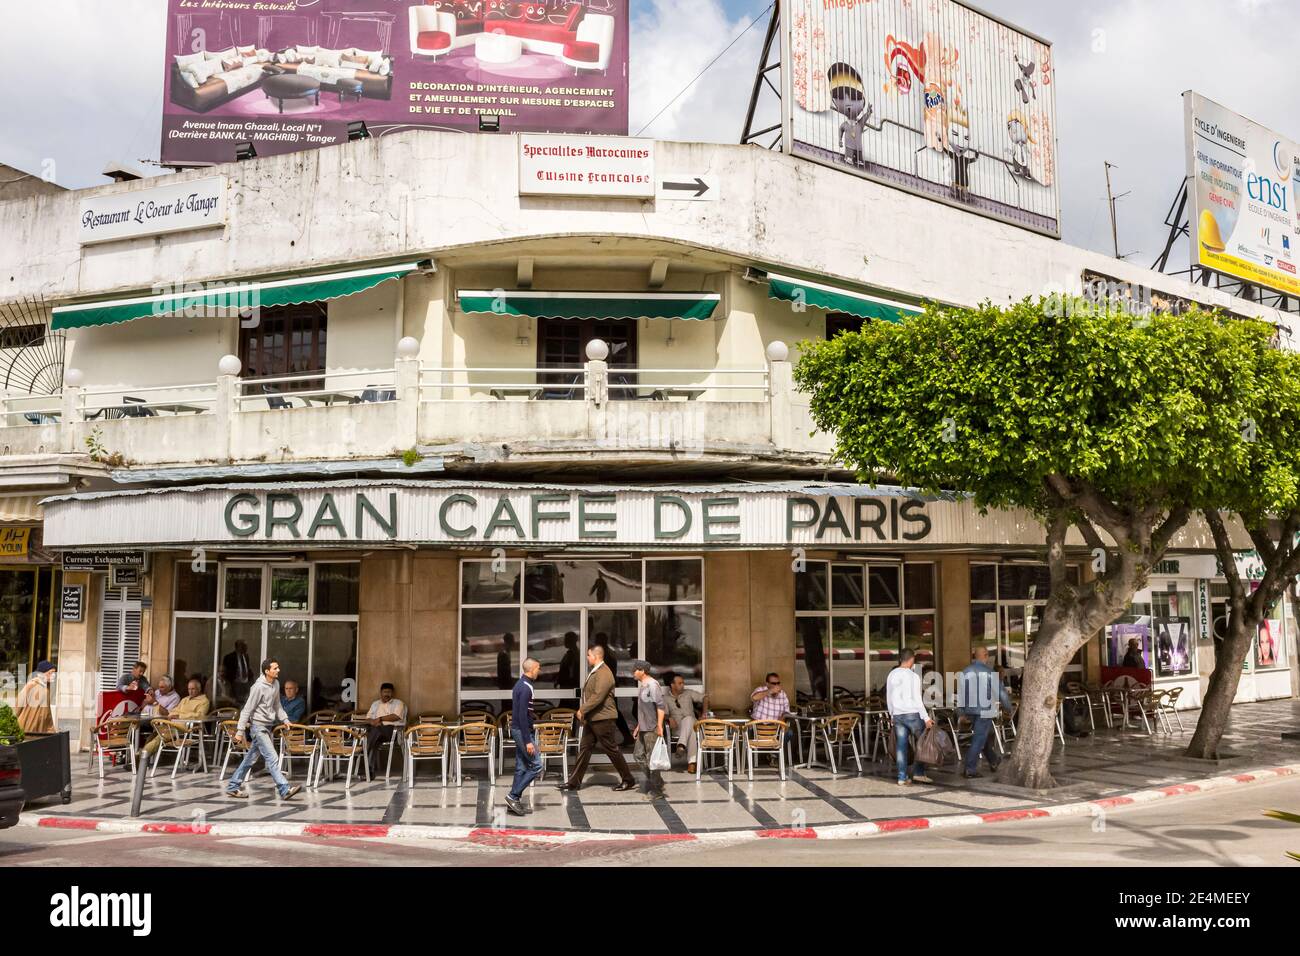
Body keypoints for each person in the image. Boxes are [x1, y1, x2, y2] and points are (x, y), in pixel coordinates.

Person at [559, 644, 635, 793]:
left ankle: (628, 779)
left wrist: (582, 709)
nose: (587, 658)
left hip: (603, 719)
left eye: (588, 655)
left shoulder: (604, 673)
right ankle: (574, 782)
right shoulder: (596, 671)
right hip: (594, 718)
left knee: (611, 749)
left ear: (596, 656)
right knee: (585, 748)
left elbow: (598, 696)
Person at [225, 657, 301, 801]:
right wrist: (240, 731)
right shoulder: (258, 687)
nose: (278, 670)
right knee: (272, 757)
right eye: (275, 668)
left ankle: (233, 786)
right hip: (258, 727)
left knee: (250, 759)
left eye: (278, 667)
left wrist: (285, 719)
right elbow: (247, 709)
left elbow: (277, 705)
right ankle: (284, 789)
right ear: (267, 671)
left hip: (268, 726)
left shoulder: (276, 684)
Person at [956, 646, 1012, 779]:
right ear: (986, 655)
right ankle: (970, 769)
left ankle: (993, 760)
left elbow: (961, 695)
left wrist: (961, 712)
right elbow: (1001, 694)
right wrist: (1008, 708)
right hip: (985, 711)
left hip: (971, 711)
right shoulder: (989, 672)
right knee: (979, 739)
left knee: (982, 737)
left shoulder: (965, 671)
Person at [886, 648, 933, 786]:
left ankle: (902, 777)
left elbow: (889, 697)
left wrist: (891, 714)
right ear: (912, 660)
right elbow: (918, 700)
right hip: (912, 714)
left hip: (898, 715)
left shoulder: (892, 675)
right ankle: (919, 772)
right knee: (923, 742)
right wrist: (926, 718)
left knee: (901, 745)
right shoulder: (913, 676)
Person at [505, 658, 542, 816]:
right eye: (538, 668)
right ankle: (513, 796)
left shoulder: (520, 684)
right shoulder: (526, 687)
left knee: (521, 766)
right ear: (532, 669)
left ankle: (514, 802)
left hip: (519, 729)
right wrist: (528, 741)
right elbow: (521, 714)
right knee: (537, 765)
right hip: (522, 731)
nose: (539, 671)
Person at [143, 678, 211, 757]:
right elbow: (174, 710)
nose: (190, 691)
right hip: (173, 724)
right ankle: (144, 758)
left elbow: (200, 715)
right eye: (189, 689)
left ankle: (142, 755)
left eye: (193, 689)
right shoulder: (185, 699)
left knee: (160, 737)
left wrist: (180, 716)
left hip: (185, 726)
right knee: (154, 735)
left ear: (199, 689)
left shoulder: (204, 701)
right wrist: (172, 715)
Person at [630, 661, 667, 800]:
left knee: (652, 759)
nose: (633, 673)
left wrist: (659, 725)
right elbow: (643, 709)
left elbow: (660, 706)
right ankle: (656, 780)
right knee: (638, 755)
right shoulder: (643, 685)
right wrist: (639, 726)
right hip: (644, 727)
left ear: (642, 671)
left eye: (635, 670)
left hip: (652, 727)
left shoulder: (652, 685)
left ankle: (657, 790)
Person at [591, 632, 634, 745]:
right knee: (611, 713)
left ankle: (598, 740)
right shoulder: (608, 653)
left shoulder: (606, 655)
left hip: (607, 688)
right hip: (609, 687)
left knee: (609, 713)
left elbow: (605, 673)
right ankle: (625, 736)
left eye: (597, 640)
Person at [663, 673, 708, 774]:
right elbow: (663, 714)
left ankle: (681, 746)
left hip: (693, 724)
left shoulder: (689, 693)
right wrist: (669, 718)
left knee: (689, 719)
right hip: (678, 728)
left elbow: (705, 698)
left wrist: (704, 713)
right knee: (692, 731)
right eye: (680, 683)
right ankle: (692, 763)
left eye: (683, 683)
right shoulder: (665, 698)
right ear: (672, 685)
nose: (683, 685)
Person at [363, 683, 407, 778]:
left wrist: (380, 719)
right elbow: (368, 718)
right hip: (377, 731)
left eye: (389, 692)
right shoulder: (375, 704)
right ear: (381, 692)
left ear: (393, 693)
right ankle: (369, 770)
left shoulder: (398, 703)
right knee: (374, 737)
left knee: (373, 733)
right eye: (385, 692)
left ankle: (363, 753)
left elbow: (396, 716)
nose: (387, 694)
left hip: (392, 731)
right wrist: (373, 722)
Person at [16, 661, 56, 735]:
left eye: (54, 673)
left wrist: (50, 728)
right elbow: (19, 703)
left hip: (41, 727)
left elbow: (47, 710)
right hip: (28, 725)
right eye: (50, 673)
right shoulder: (31, 685)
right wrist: (13, 720)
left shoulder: (47, 687)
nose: (53, 675)